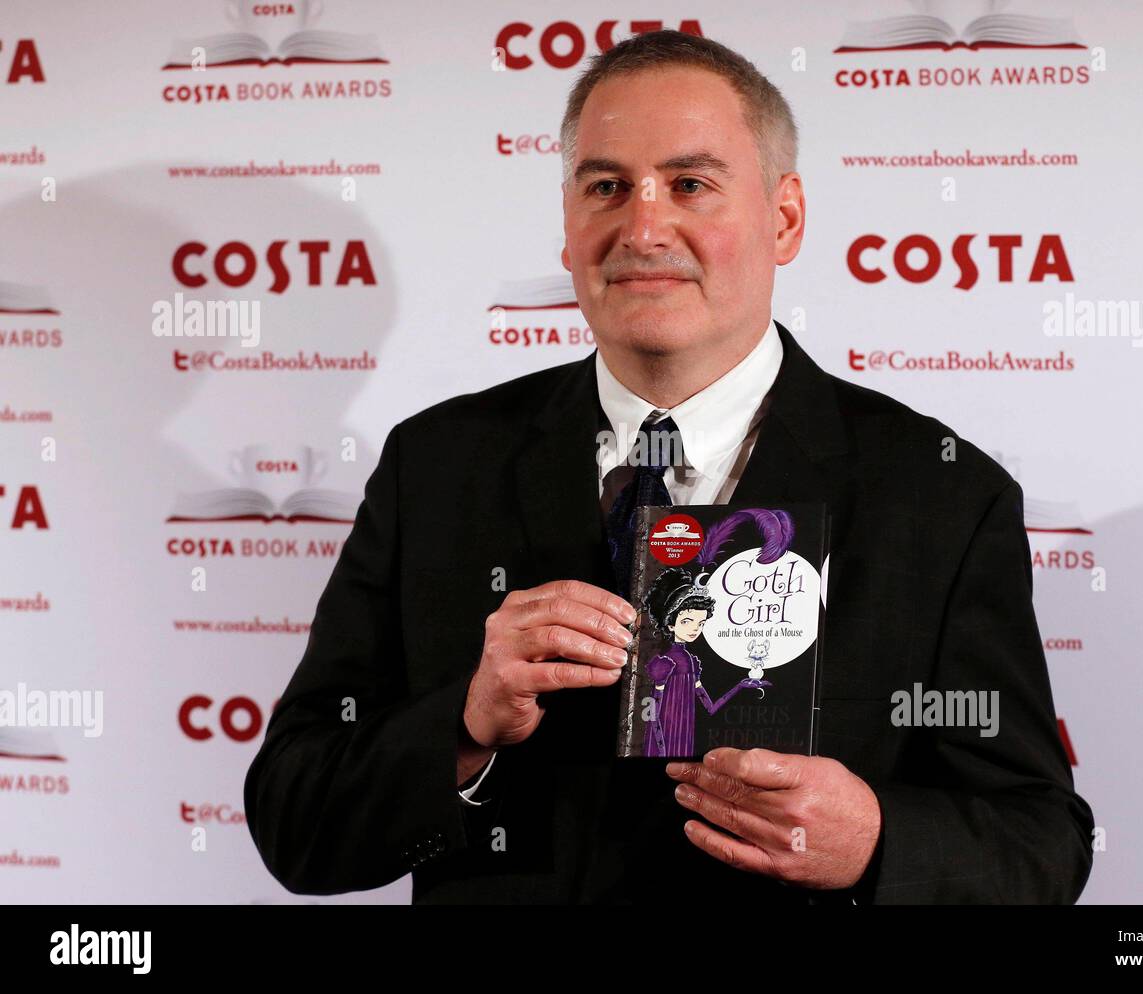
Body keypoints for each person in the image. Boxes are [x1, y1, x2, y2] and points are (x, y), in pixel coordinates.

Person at [244, 29, 1094, 904]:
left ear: (785, 218)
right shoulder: (436, 467)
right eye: (607, 187)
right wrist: (462, 725)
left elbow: (1041, 845)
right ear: (569, 224)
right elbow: (292, 821)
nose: (644, 228)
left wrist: (875, 840)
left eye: (691, 185)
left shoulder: (942, 494)